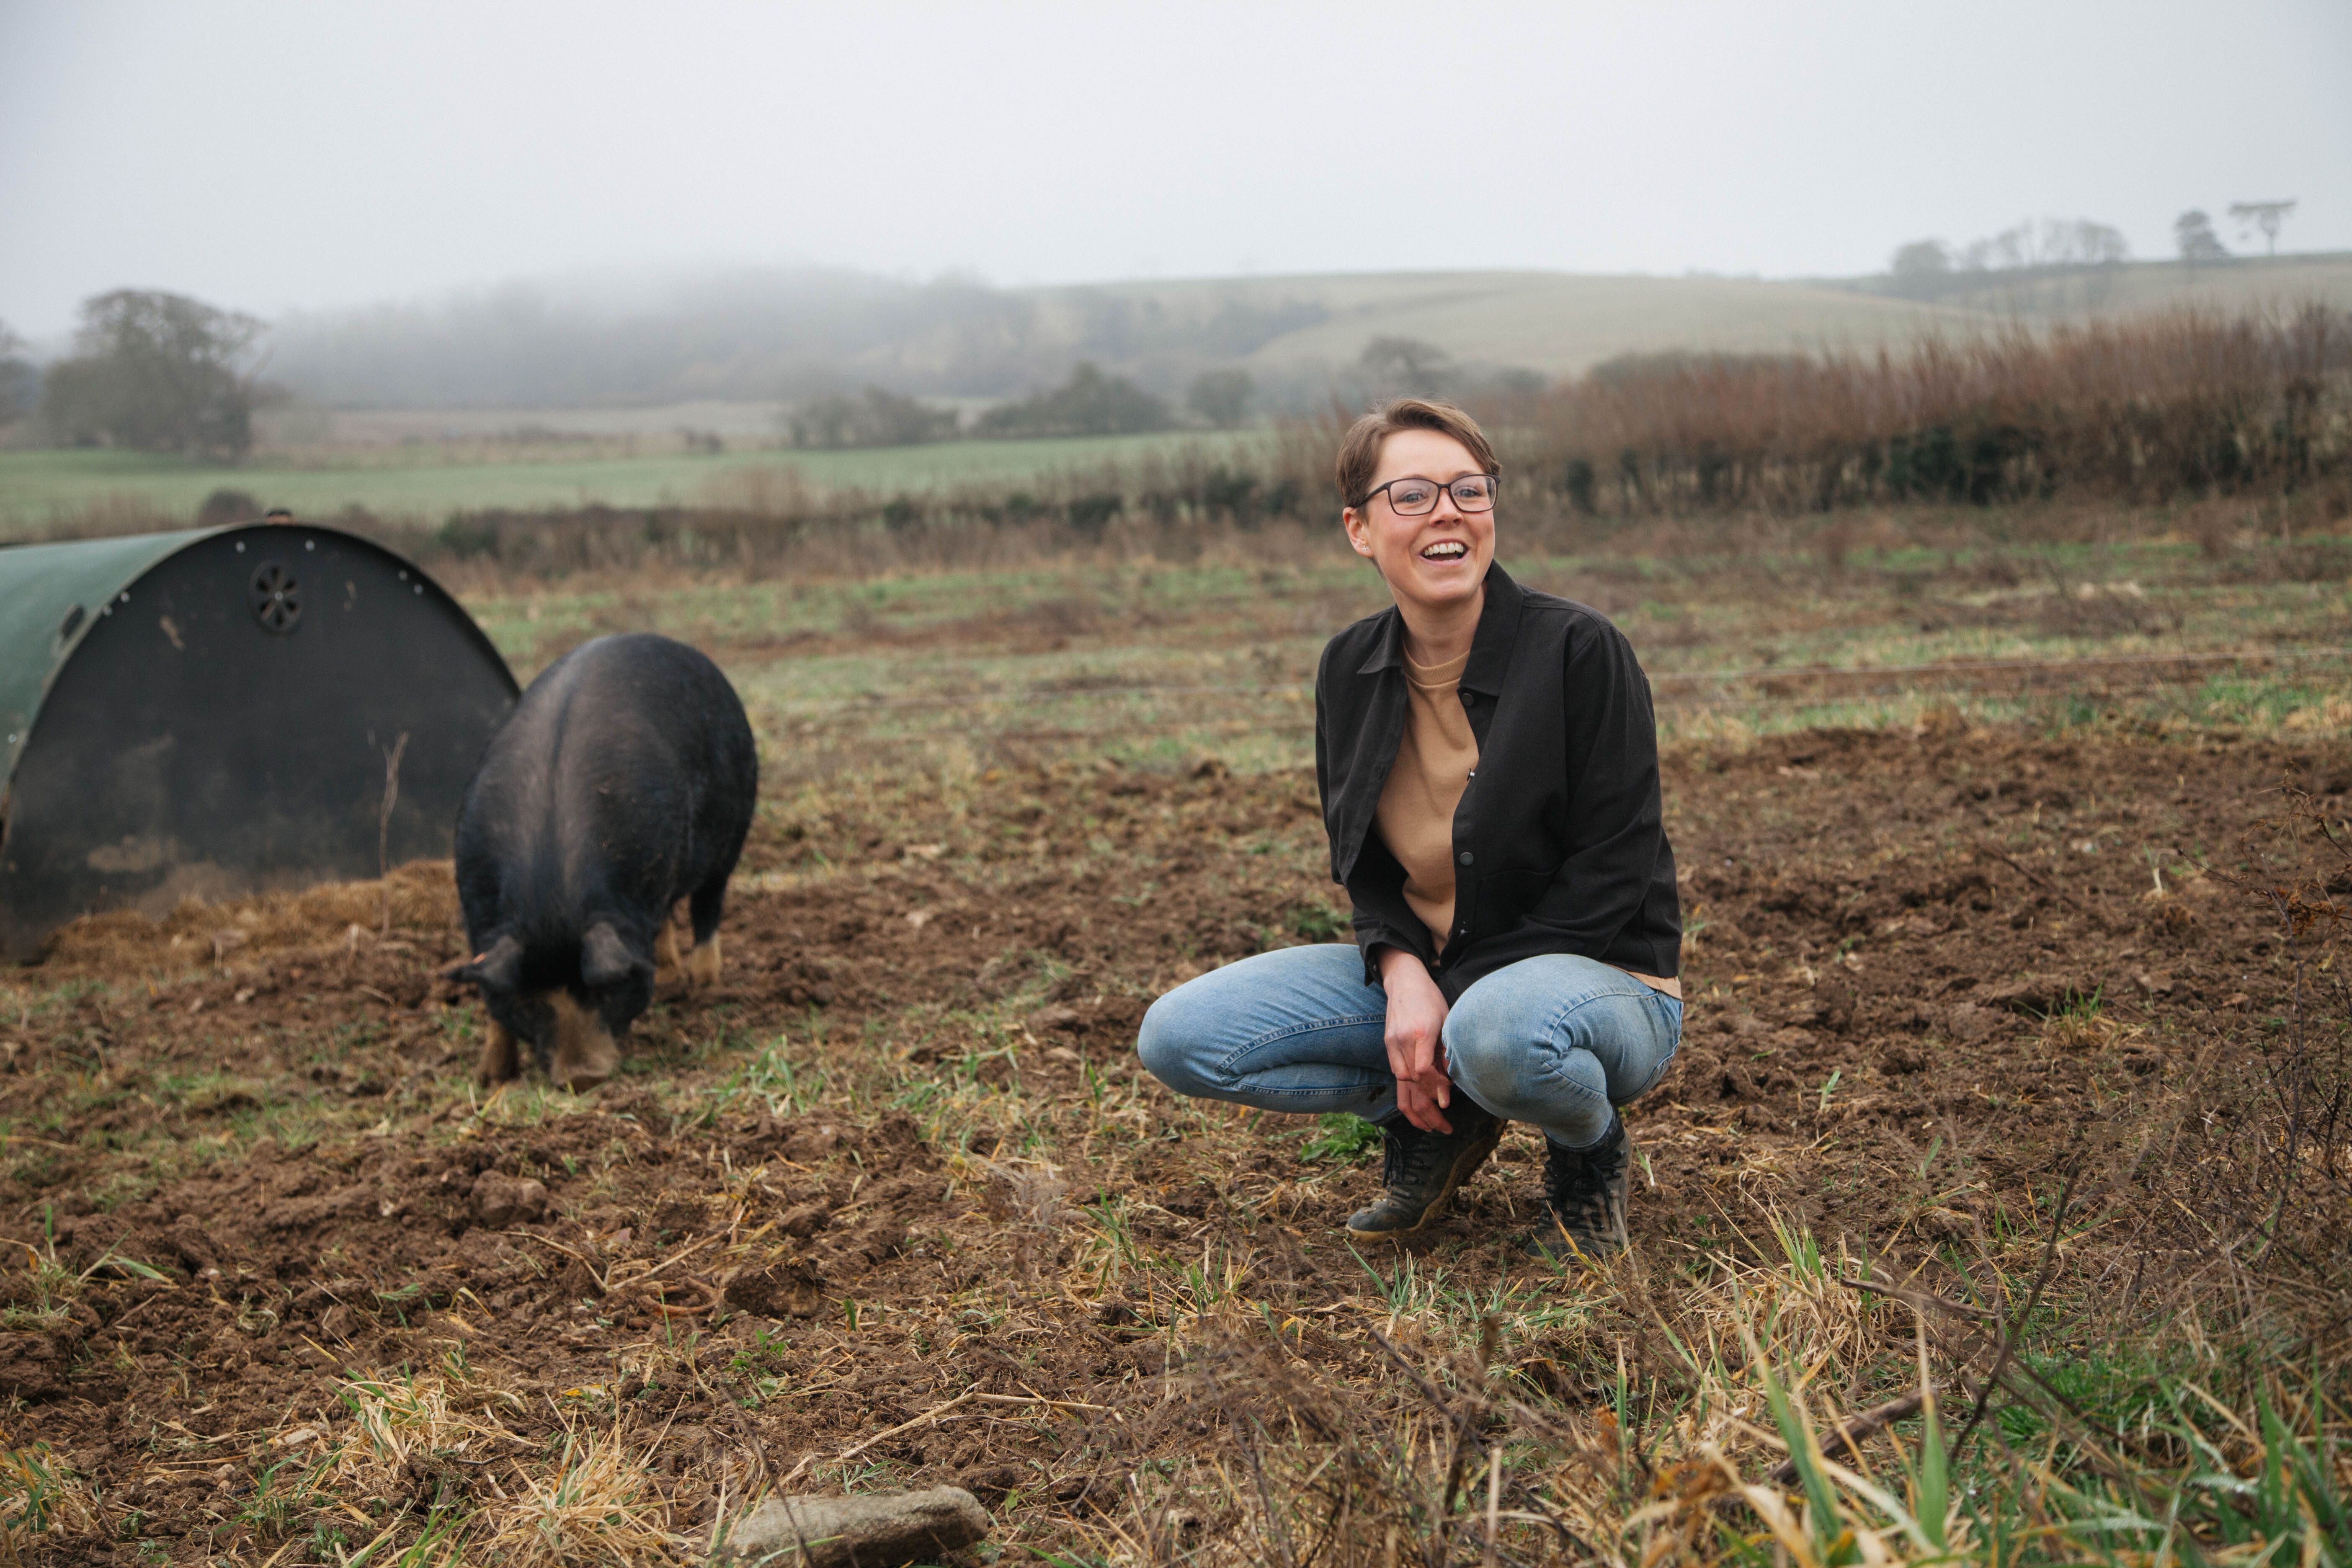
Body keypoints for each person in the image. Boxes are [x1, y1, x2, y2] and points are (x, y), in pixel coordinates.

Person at [1137, 398, 1682, 1261]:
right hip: (1433, 976)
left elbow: (1614, 872)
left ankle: (1588, 1150)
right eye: (1414, 495)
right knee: (1181, 1038)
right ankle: (1436, 1119)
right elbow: (1364, 866)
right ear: (1359, 528)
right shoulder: (1348, 668)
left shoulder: (1580, 651)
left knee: (1495, 1034)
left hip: (1603, 986)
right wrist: (1401, 973)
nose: (1449, 513)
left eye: (1470, 490)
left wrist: (1449, 990)